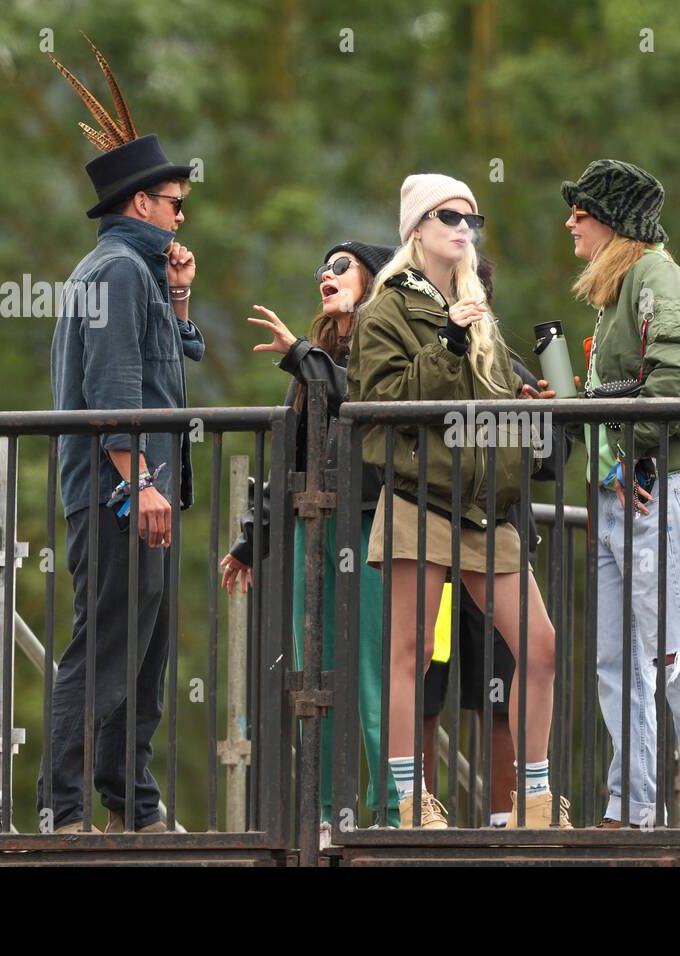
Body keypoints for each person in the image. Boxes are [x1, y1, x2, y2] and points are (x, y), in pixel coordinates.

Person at [348, 173, 570, 828]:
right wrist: (447, 340)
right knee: (409, 656)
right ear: (416, 229)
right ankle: (408, 802)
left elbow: (488, 408)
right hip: (421, 497)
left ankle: (532, 798)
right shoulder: (385, 308)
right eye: (448, 215)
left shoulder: (475, 303)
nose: (463, 226)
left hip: (485, 508)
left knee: (541, 647)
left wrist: (528, 413)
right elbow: (382, 403)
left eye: (472, 216)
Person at [40, 39, 203, 834]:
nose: (182, 213)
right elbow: (112, 393)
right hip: (120, 495)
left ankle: (132, 806)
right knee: (105, 651)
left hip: (138, 493)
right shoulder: (113, 272)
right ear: (141, 204)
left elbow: (164, 365)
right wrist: (138, 481)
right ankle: (64, 807)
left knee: (141, 660)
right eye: (175, 201)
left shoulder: (139, 273)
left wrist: (178, 301)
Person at [563, 158, 680, 829]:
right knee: (619, 660)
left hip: (658, 487)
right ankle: (630, 806)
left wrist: (632, 451)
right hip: (628, 492)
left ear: (611, 220)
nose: (570, 224)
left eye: (581, 212)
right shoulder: (622, 287)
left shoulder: (657, 278)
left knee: (676, 649)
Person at [219, 240, 399, 841]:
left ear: (374, 278)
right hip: (311, 526)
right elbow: (289, 460)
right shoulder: (313, 357)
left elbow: (369, 399)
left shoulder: (388, 339)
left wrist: (302, 356)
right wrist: (253, 539)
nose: (327, 271)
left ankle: (392, 814)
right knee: (314, 676)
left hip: (374, 524)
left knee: (373, 672)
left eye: (342, 264)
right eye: (322, 264)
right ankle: (323, 814)